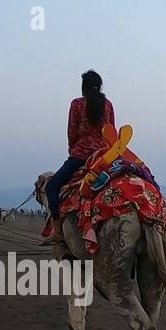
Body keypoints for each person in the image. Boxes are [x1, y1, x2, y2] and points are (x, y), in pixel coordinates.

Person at [44, 69, 116, 244]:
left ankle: (58, 230)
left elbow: (72, 132)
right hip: (104, 156)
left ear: (83, 87)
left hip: (81, 155)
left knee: (51, 187)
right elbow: (112, 131)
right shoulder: (108, 105)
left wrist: (73, 150)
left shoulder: (77, 104)